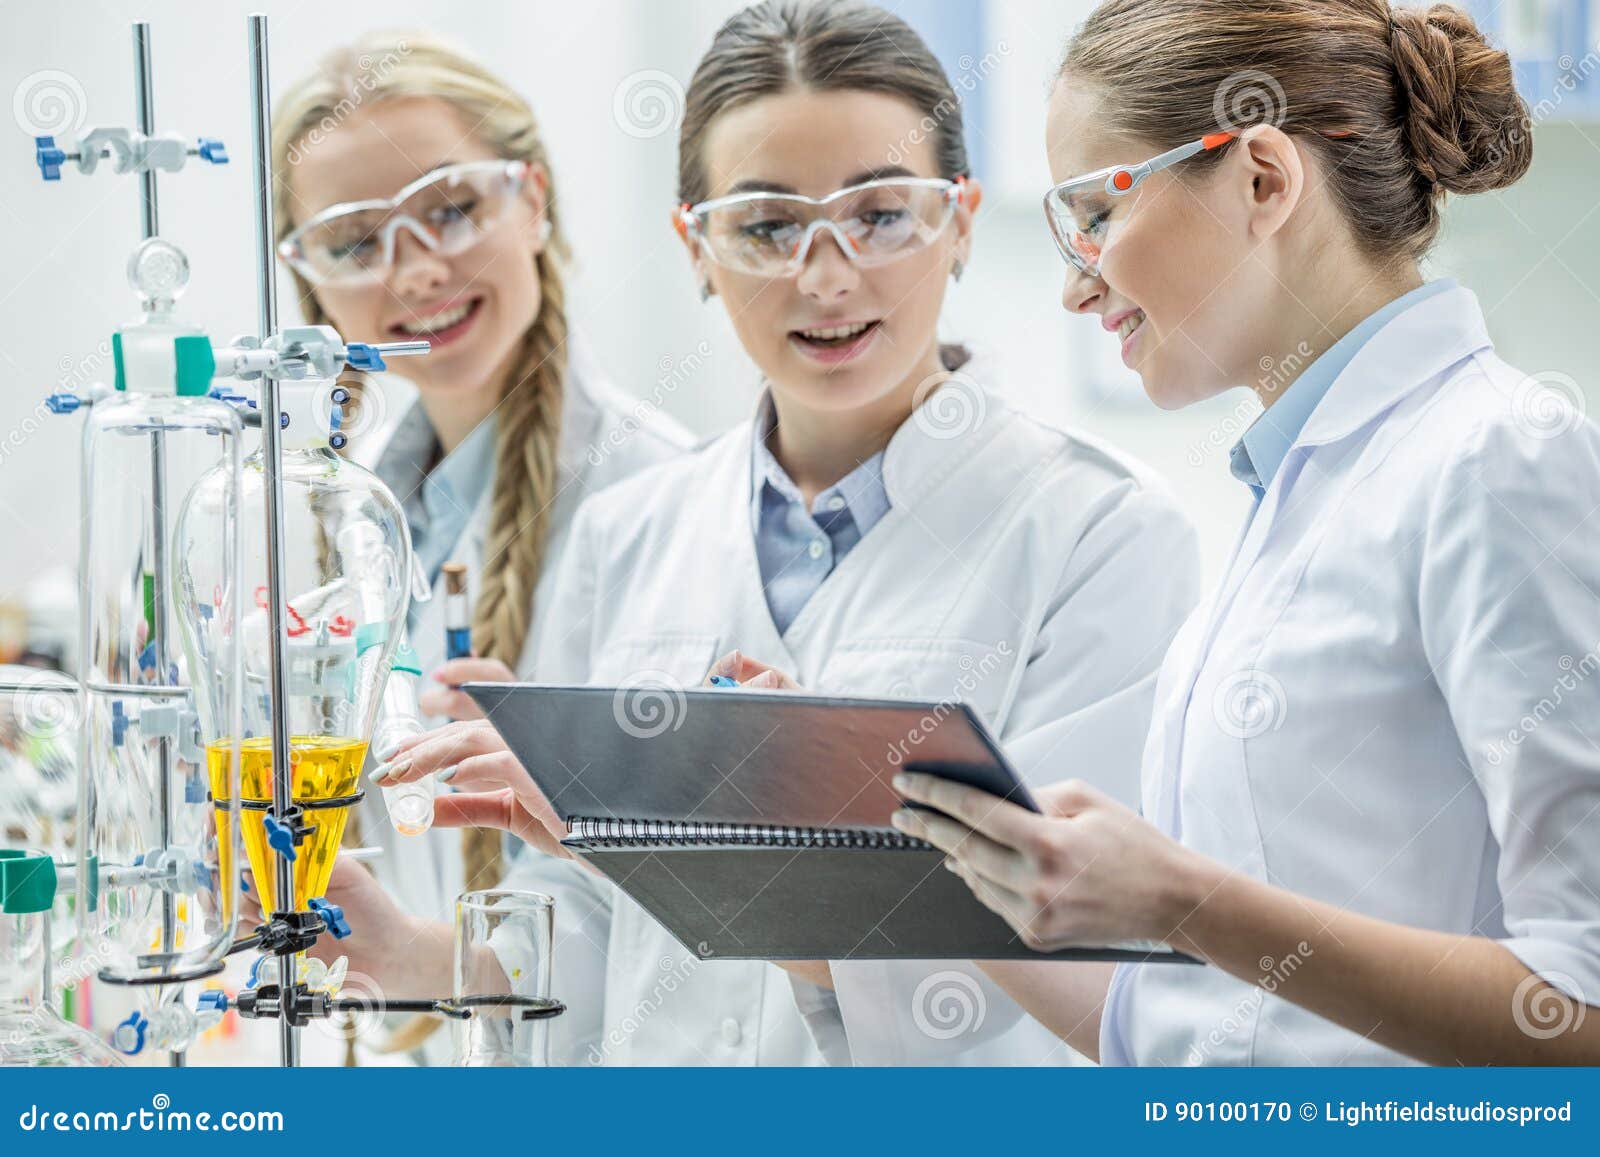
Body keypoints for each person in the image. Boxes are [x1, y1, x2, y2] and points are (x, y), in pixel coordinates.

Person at [360, 0, 1200, 1066]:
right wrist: (413, 958)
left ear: (960, 222)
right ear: (697, 247)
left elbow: (1078, 961)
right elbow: (600, 939)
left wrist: (741, 821)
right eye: (765, 225)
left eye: (881, 214)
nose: (826, 273)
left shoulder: (1103, 537)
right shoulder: (630, 532)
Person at [889, 0, 1600, 1066]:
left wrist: (1184, 898)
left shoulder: (1497, 460)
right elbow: (1194, 1034)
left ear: (1262, 178)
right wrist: (890, 824)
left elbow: (1577, 1006)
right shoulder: (1298, 491)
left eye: (1094, 215)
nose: (1078, 285)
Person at [268, 30, 689, 1059]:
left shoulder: (658, 503)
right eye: (355, 241)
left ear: (532, 199)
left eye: (450, 209)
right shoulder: (369, 518)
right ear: (311, 285)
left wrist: (430, 967)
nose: (413, 269)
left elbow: (663, 928)